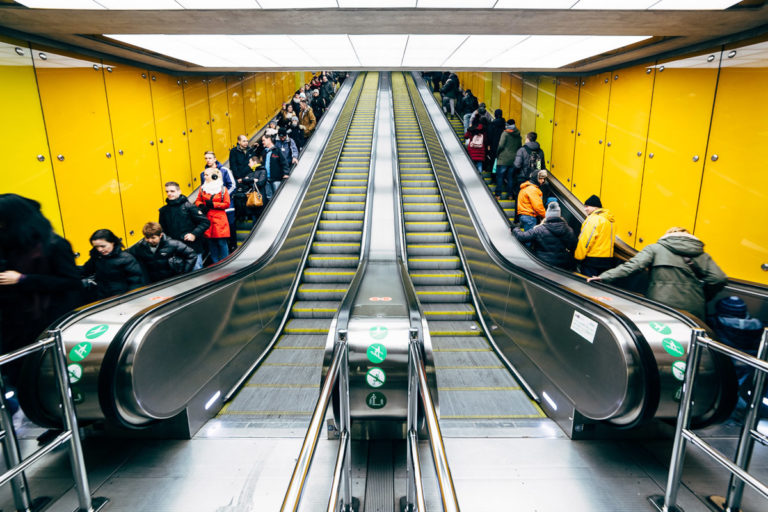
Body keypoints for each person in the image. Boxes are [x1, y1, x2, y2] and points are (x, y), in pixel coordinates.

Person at [0, 194, 83, 388]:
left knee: (44, 377)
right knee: (19, 376)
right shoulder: (9, 245)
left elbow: (71, 282)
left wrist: (23, 280)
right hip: (14, 324)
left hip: (46, 323)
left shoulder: (54, 245)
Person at [588, 227, 727, 320]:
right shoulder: (701, 254)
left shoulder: (655, 248)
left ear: (667, 236)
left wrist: (604, 277)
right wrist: (703, 295)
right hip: (694, 309)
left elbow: (632, 266)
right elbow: (719, 278)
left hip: (661, 305)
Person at [158, 182, 210, 271]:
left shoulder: (189, 207)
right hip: (175, 250)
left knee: (197, 273)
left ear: (179, 192)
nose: (169, 193)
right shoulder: (164, 210)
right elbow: (163, 229)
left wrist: (194, 234)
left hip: (193, 248)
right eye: (167, 191)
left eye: (172, 191)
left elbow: (205, 222)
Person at [81, 229, 145, 300]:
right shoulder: (96, 258)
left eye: (103, 246)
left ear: (112, 242)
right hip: (102, 298)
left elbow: (136, 282)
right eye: (96, 247)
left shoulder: (126, 259)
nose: (99, 250)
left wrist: (131, 299)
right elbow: (85, 270)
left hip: (121, 298)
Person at [512, 200, 577, 270]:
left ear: (547, 215)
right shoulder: (568, 230)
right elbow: (574, 247)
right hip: (562, 264)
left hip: (542, 262)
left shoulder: (539, 229)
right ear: (559, 215)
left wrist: (515, 229)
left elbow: (522, 237)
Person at [127, 222, 197, 283]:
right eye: (147, 237)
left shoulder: (172, 244)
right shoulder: (140, 247)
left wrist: (184, 273)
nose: (150, 240)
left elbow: (192, 254)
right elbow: (127, 255)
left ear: (160, 235)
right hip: (153, 283)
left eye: (153, 238)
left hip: (172, 281)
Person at [195, 168, 231, 264]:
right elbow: (198, 200)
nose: (204, 177)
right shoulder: (203, 188)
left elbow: (227, 204)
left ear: (213, 176)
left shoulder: (222, 189)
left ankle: (225, 262)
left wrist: (214, 205)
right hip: (207, 218)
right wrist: (201, 205)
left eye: (206, 175)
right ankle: (215, 263)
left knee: (221, 242)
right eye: (204, 175)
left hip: (219, 218)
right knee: (211, 242)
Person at [574, 195, 615, 277]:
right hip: (607, 260)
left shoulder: (594, 219)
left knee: (587, 285)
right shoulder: (610, 221)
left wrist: (578, 257)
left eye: (587, 206)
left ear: (595, 207)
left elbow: (585, 240)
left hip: (592, 261)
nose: (585, 209)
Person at [495, 119, 522, 199]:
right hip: (513, 159)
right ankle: (510, 195)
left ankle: (498, 195)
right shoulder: (518, 135)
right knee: (510, 177)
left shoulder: (505, 133)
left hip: (503, 158)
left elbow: (501, 145)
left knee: (500, 177)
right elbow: (519, 146)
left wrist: (497, 153)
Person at [513, 132, 546, 198]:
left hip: (522, 178)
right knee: (532, 198)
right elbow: (542, 166)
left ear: (527, 139)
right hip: (535, 179)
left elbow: (517, 165)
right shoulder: (540, 151)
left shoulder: (522, 150)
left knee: (520, 196)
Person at [262, 134, 291, 201]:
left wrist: (286, 173)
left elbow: (284, 162)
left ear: (269, 139)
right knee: (269, 197)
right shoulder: (264, 152)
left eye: (264, 140)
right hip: (266, 179)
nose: (262, 142)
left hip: (276, 178)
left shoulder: (277, 150)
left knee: (278, 196)